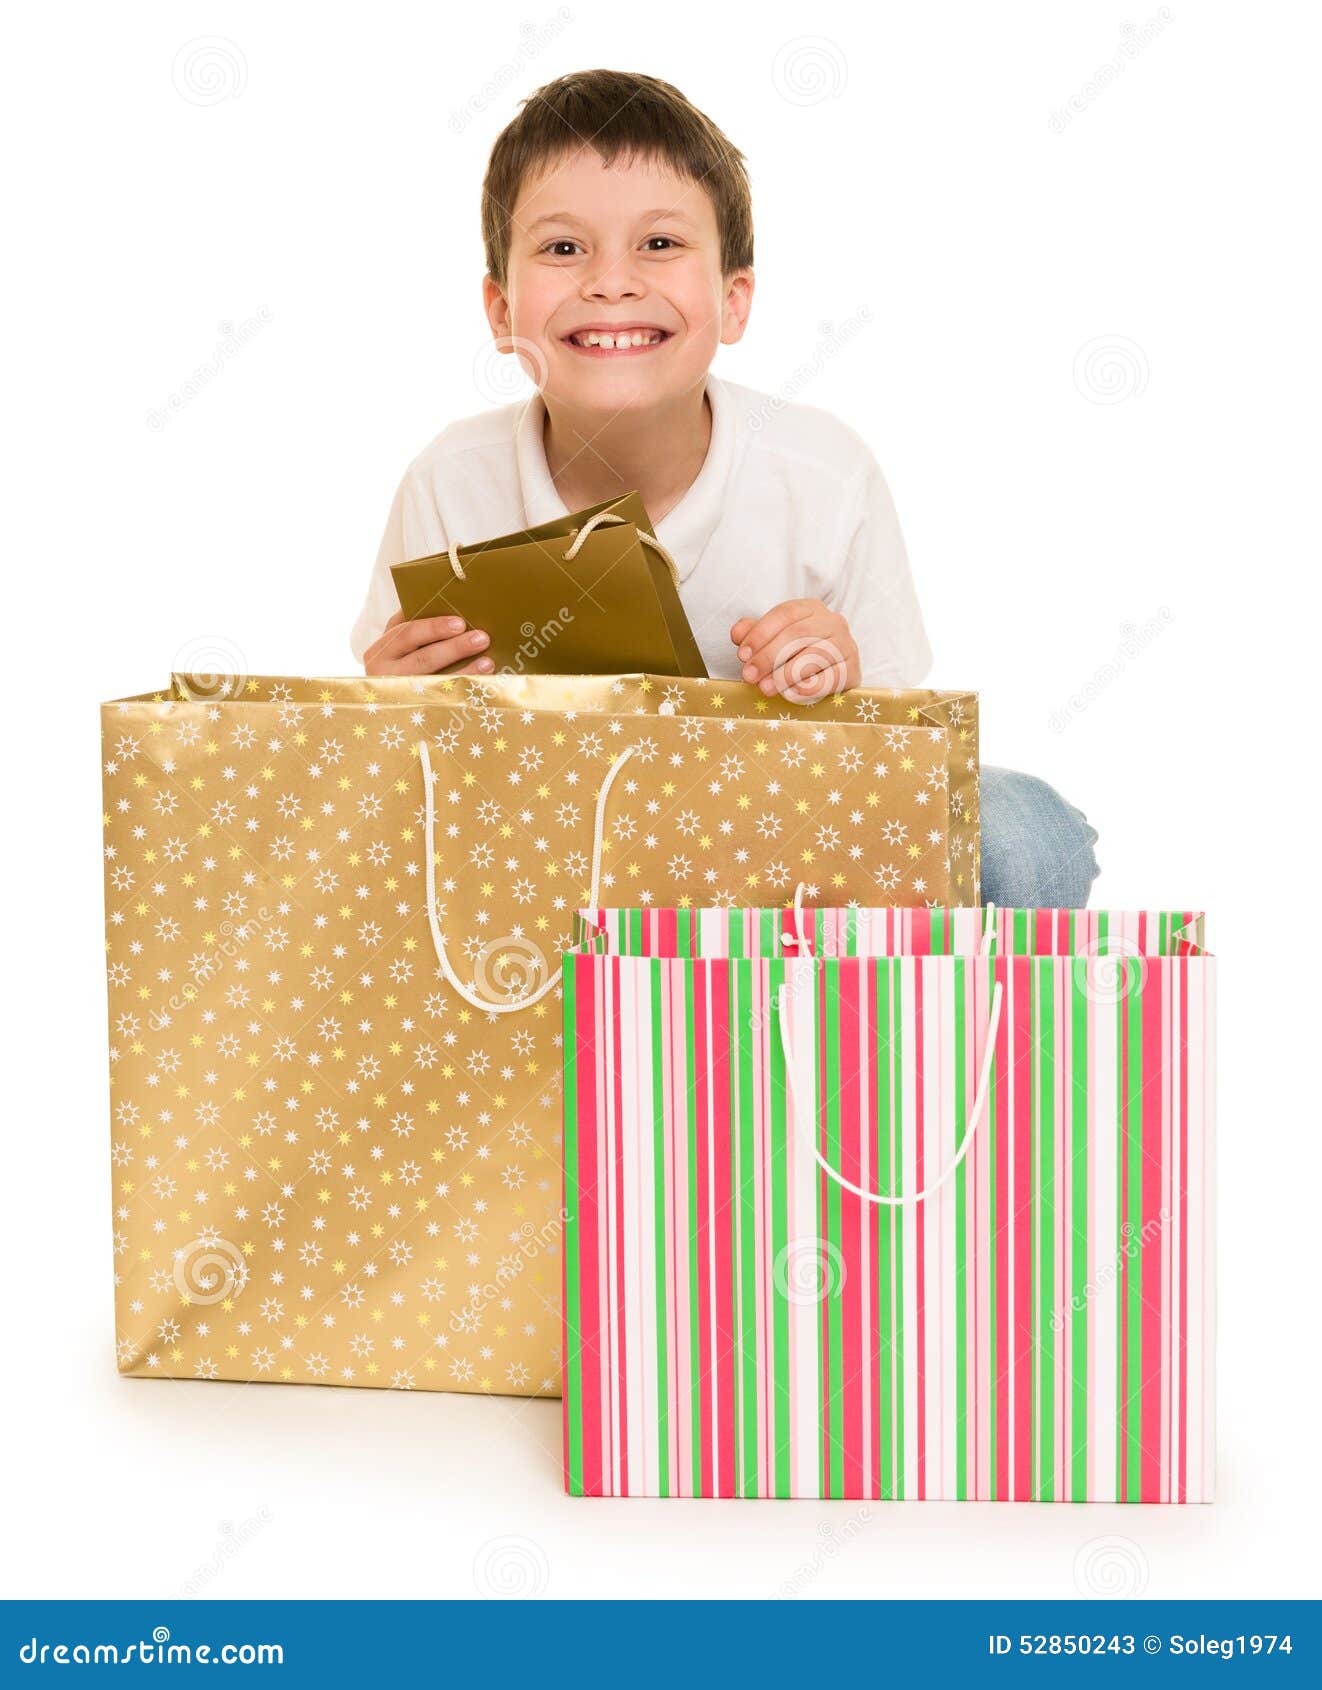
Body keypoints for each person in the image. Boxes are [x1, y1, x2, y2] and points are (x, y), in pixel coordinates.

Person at [350, 69, 1099, 908]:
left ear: (734, 301)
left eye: (660, 245)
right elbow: (402, 786)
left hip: (770, 854)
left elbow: (906, 766)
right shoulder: (450, 482)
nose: (611, 281)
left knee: (1021, 827)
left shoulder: (823, 471)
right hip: (553, 852)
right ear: (500, 310)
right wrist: (387, 707)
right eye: (564, 249)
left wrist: (837, 685)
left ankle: (824, 1023)